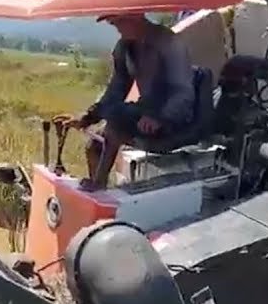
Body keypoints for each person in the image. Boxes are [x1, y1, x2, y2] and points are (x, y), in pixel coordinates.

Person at [55, 13, 196, 190]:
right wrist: (88, 117)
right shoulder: (125, 47)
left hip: (175, 118)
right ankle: (100, 195)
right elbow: (116, 90)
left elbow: (183, 93)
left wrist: (161, 117)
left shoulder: (169, 43)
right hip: (145, 112)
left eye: (119, 23)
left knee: (116, 124)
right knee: (95, 145)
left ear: (135, 17)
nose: (118, 30)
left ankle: (98, 184)